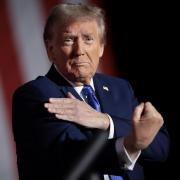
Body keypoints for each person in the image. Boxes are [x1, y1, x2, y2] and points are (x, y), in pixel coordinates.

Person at [12, 3, 169, 180]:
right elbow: (73, 158)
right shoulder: (35, 95)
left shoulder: (120, 89)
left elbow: (160, 148)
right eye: (69, 40)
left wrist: (106, 122)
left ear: (101, 47)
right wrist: (131, 144)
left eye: (88, 39)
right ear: (51, 50)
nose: (80, 51)